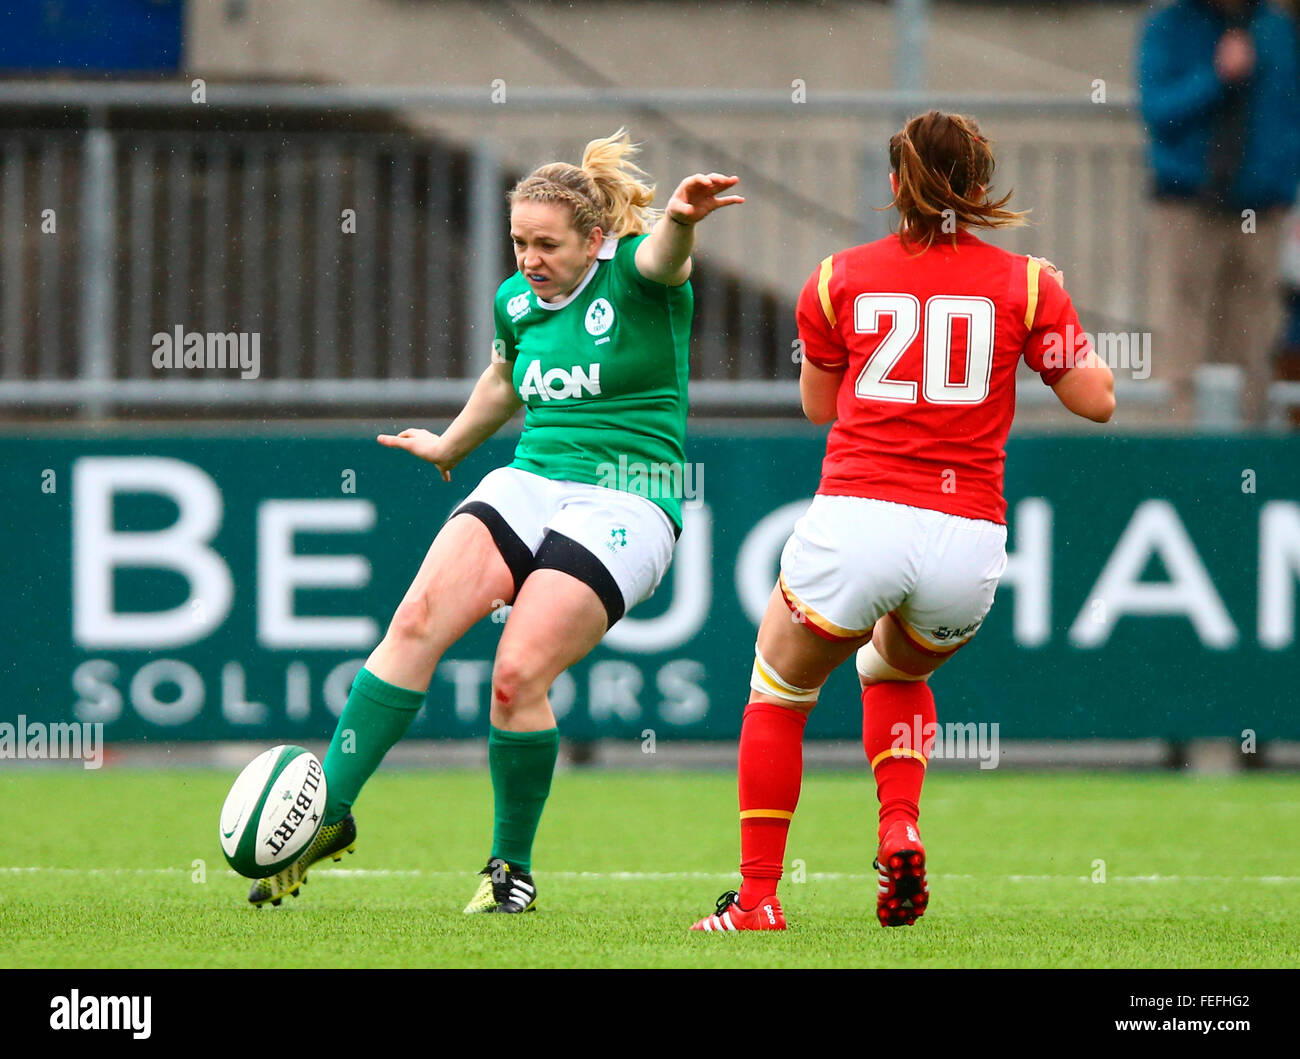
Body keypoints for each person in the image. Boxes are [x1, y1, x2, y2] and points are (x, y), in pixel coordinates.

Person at [245, 129, 742, 912]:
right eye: (519, 242)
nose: (529, 259)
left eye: (547, 244)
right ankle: (327, 816)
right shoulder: (516, 299)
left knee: (516, 675)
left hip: (629, 494)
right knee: (413, 621)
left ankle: (510, 869)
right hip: (531, 479)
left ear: (595, 240)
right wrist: (450, 442)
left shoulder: (641, 279)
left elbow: (666, 257)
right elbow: (507, 377)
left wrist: (682, 217)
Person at [689, 110, 1115, 933]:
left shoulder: (835, 276)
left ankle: (758, 900)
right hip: (967, 538)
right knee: (895, 673)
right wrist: (1046, 305)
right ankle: (898, 826)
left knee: (779, 689)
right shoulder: (1027, 284)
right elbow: (1095, 400)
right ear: (982, 188)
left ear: (894, 186)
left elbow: (819, 406)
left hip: (861, 516)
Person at [1138, 0, 1300, 425]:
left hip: (1262, 209)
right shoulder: (1168, 26)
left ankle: (1248, 449)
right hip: (1187, 204)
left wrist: (1283, 185)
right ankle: (1183, 449)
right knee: (1183, 330)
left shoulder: (1277, 28)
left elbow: (1288, 114)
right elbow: (1158, 111)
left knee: (1255, 335)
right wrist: (1217, 78)